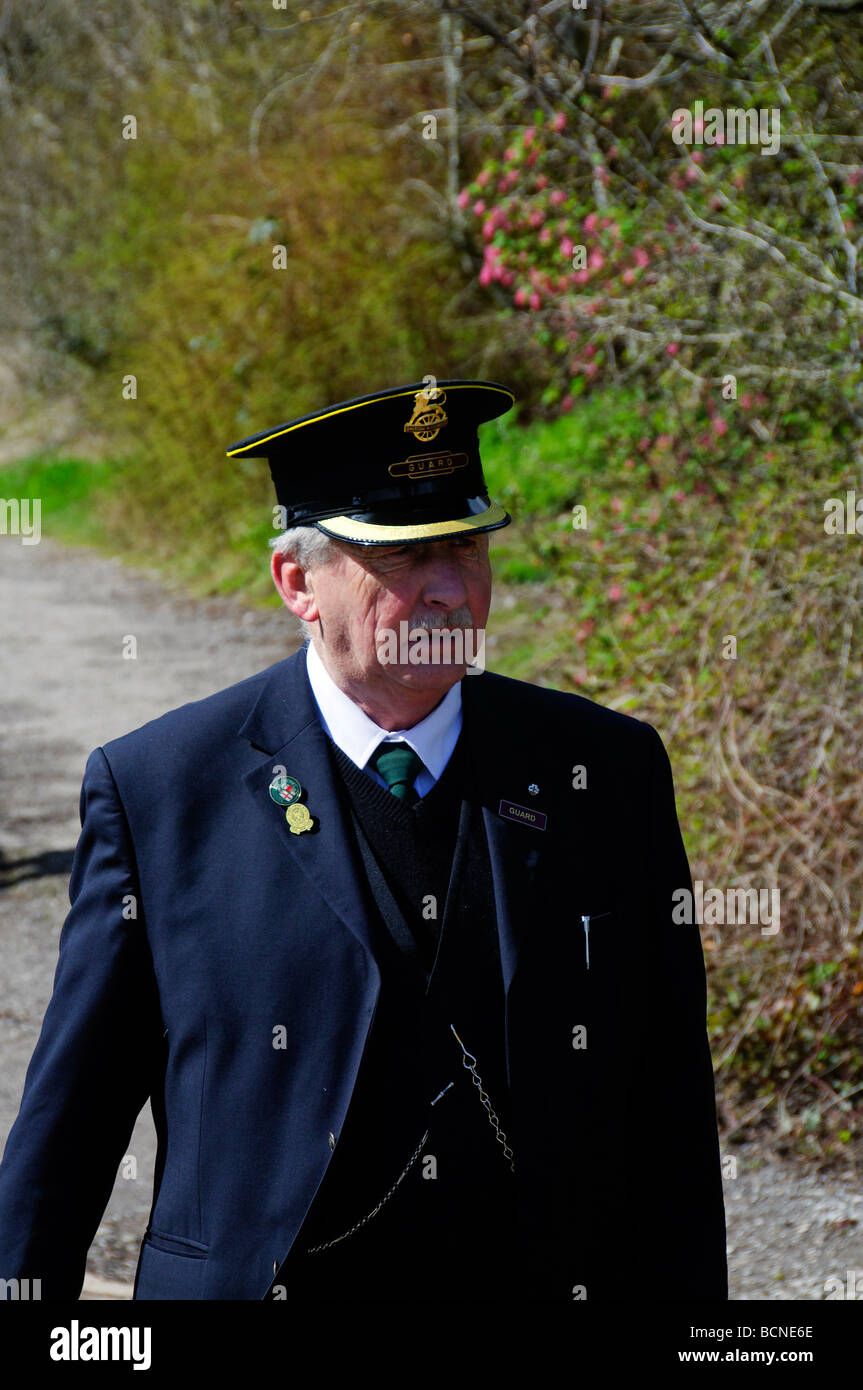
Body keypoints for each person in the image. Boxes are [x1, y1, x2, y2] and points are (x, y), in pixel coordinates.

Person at [0, 379, 727, 1301]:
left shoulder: (603, 771)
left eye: (465, 546)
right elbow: (73, 1121)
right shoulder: (159, 790)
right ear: (296, 582)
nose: (452, 590)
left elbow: (667, 1103)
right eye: (402, 559)